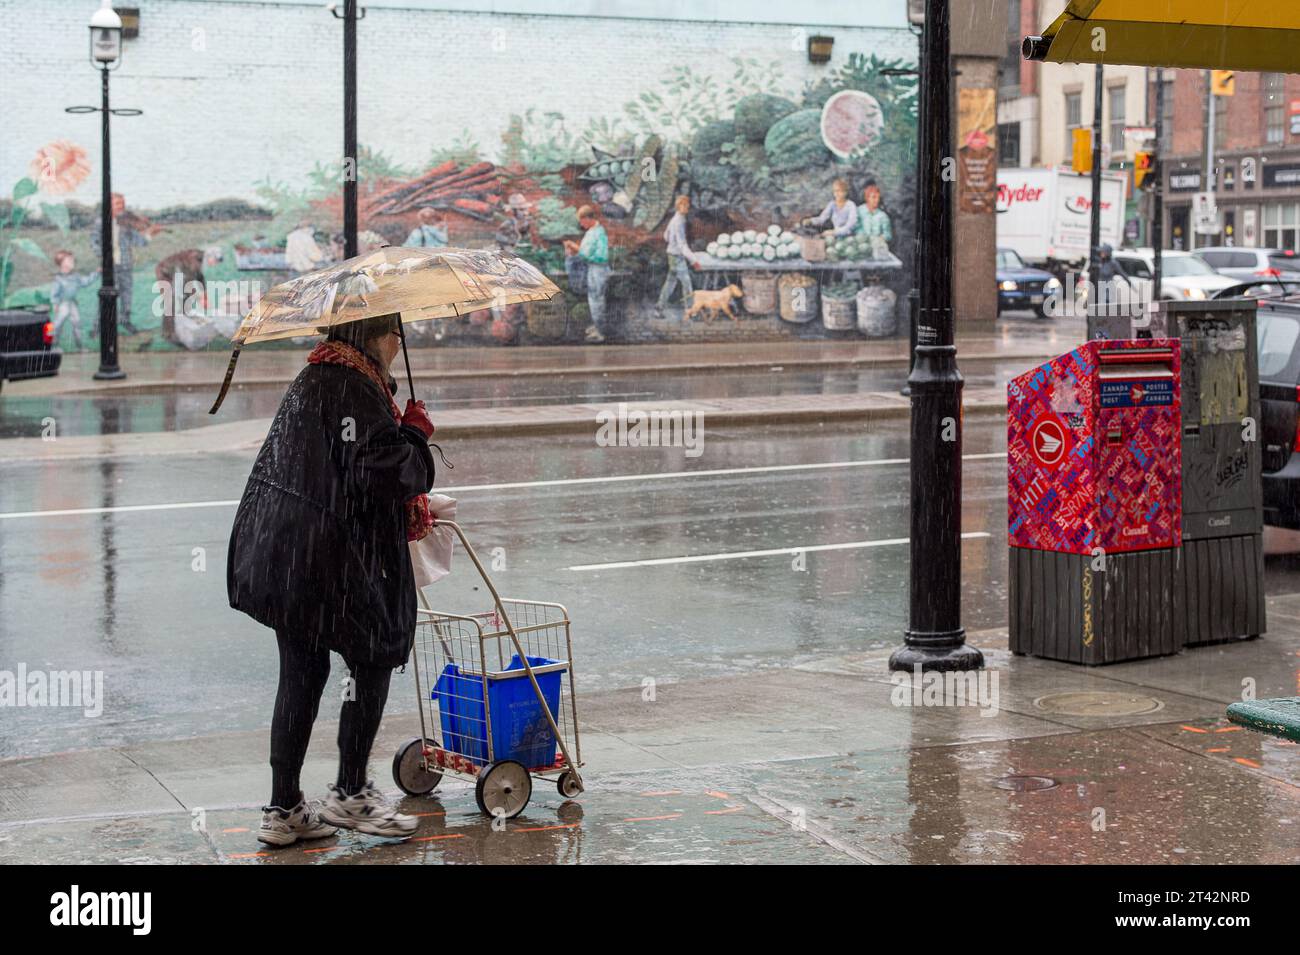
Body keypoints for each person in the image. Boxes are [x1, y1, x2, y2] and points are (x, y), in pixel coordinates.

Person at [227, 312, 438, 846]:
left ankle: (284, 808)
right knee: (373, 655)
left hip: (288, 552)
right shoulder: (352, 387)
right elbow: (382, 472)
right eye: (396, 333)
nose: (398, 343)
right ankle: (349, 793)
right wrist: (414, 432)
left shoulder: (315, 377)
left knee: (300, 672)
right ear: (372, 337)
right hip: (333, 556)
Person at [90, 192, 158, 335]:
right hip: (109, 266)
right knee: (106, 296)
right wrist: (103, 257)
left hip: (125, 265)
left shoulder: (126, 223)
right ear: (109, 205)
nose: (121, 207)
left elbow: (139, 241)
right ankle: (98, 326)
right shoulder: (100, 222)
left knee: (127, 295)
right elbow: (94, 242)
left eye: (122, 203)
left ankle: (125, 321)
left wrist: (150, 234)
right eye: (117, 204)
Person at [564, 205, 611, 343]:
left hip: (598, 270)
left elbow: (593, 255)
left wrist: (575, 248)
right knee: (594, 299)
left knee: (597, 300)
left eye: (581, 220)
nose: (581, 224)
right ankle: (597, 326)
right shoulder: (594, 231)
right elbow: (586, 252)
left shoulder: (597, 233)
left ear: (587, 218)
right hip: (594, 269)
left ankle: (600, 332)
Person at [655, 195, 702, 316]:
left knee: (670, 283)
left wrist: (672, 242)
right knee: (686, 284)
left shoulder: (676, 218)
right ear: (679, 206)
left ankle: (659, 308)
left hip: (672, 256)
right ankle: (690, 310)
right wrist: (694, 260)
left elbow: (666, 236)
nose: (687, 207)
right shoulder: (679, 221)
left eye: (687, 205)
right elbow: (682, 245)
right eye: (684, 205)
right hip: (677, 257)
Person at [49, 250, 98, 350]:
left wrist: (96, 273)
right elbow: (54, 293)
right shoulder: (58, 279)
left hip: (72, 303)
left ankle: (80, 346)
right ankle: (53, 346)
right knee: (58, 324)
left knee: (77, 323)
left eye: (73, 260)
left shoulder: (76, 277)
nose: (72, 262)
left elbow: (85, 282)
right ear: (62, 263)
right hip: (63, 304)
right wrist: (55, 304)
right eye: (69, 260)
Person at [856, 180, 893, 245]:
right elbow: (854, 228)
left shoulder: (883, 216)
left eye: (878, 198)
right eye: (874, 197)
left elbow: (888, 235)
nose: (876, 200)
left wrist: (880, 238)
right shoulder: (858, 211)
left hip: (877, 245)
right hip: (860, 244)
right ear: (867, 198)